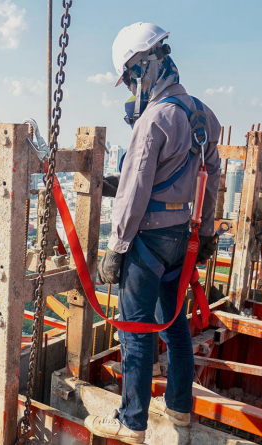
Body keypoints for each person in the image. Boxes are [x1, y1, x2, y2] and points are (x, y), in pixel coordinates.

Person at [85, 23, 221, 443]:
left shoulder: (154, 120)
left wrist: (116, 247)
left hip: (147, 240)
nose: (129, 86)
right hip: (184, 236)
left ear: (142, 68)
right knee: (174, 324)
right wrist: (209, 233)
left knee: (135, 329)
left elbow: (135, 192)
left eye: (128, 76)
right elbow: (211, 180)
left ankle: (132, 422)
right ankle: (180, 408)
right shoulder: (203, 115)